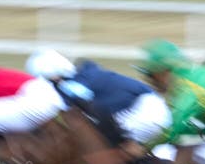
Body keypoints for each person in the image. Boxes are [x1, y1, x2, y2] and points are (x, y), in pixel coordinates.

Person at [25, 49, 171, 151]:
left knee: (102, 147)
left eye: (48, 81)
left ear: (53, 75)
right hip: (145, 108)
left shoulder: (74, 84)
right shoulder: (80, 77)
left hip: (145, 111)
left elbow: (76, 104)